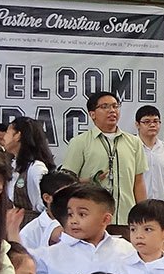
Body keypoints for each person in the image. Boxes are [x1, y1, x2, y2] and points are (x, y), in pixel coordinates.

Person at [31, 184, 145, 274]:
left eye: (82, 214)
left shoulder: (125, 250)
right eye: (70, 214)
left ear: (105, 220)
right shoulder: (50, 254)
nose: (73, 220)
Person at [62, 93, 147, 224]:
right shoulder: (80, 142)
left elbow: (139, 182)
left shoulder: (134, 142)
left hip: (125, 218)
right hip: (91, 220)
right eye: (105, 107)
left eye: (115, 106)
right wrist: (90, 181)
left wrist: (143, 213)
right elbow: (66, 182)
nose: (112, 111)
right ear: (92, 114)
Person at [1, 116, 55, 216]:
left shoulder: (36, 168)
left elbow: (42, 205)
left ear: (17, 135)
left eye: (7, 132)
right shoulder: (13, 165)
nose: (4, 137)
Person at [133, 107, 164, 208]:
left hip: (162, 205)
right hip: (136, 205)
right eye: (147, 122)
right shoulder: (131, 147)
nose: (152, 125)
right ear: (137, 124)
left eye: (156, 121)